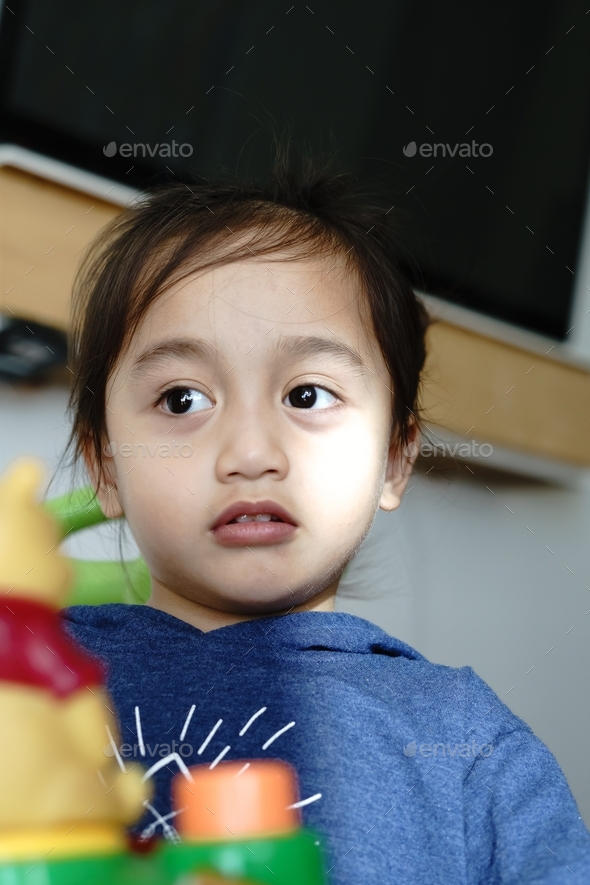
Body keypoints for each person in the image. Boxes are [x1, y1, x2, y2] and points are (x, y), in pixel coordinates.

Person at [61, 146, 590, 884]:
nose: (249, 452)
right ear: (106, 466)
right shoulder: (31, 673)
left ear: (395, 458)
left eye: (307, 395)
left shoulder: (466, 741)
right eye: (183, 398)